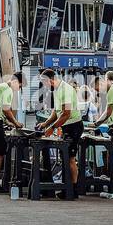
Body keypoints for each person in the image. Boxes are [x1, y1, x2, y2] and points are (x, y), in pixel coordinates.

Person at [37, 68, 83, 196]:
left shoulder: (66, 90)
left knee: (70, 159)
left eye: (45, 83)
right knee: (65, 157)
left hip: (73, 126)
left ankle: (73, 189)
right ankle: (65, 188)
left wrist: (52, 128)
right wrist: (46, 123)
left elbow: (66, 114)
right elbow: (56, 112)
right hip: (66, 126)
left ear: (50, 80)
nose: (45, 86)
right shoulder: (57, 90)